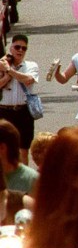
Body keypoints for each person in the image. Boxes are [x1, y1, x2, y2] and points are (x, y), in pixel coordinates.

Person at [0, 35, 39, 163]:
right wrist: (6, 75)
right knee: (4, 148)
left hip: (23, 111)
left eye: (24, 48)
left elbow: (28, 80)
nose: (20, 50)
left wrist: (9, 71)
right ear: (10, 47)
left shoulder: (31, 65)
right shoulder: (2, 66)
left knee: (23, 149)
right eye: (17, 47)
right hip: (4, 111)